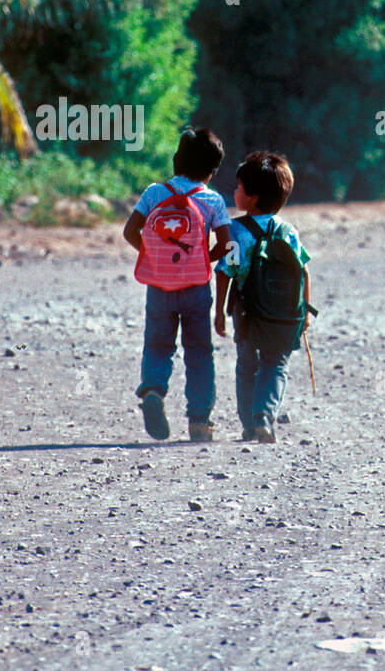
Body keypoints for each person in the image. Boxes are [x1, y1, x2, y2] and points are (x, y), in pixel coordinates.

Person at [122, 127, 232, 442]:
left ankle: (154, 391)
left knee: (158, 345)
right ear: (212, 171)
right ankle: (199, 421)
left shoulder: (154, 192)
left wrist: (155, 256)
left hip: (158, 286)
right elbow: (225, 244)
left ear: (175, 161)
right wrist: (200, 259)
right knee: (199, 351)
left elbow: (131, 231)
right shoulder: (213, 199)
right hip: (196, 288)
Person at [213, 151, 312, 443]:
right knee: (276, 364)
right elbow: (303, 271)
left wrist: (219, 311)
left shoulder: (235, 231)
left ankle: (248, 424)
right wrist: (304, 311)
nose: (235, 192)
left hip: (247, 311)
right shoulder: (288, 230)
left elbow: (224, 273)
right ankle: (264, 417)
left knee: (247, 364)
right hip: (283, 314)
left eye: (239, 187)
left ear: (252, 197)